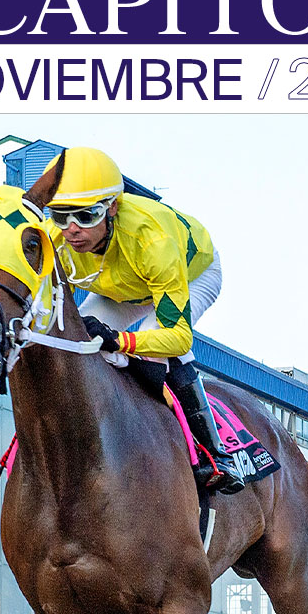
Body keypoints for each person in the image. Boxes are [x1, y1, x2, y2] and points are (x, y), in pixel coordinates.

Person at [41, 147, 244, 494]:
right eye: (61, 217)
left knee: (154, 343)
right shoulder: (53, 237)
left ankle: (216, 456)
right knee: (76, 342)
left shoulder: (153, 240)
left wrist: (121, 341)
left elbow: (177, 337)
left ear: (113, 208)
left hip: (191, 274)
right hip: (118, 285)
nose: (72, 231)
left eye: (86, 216)